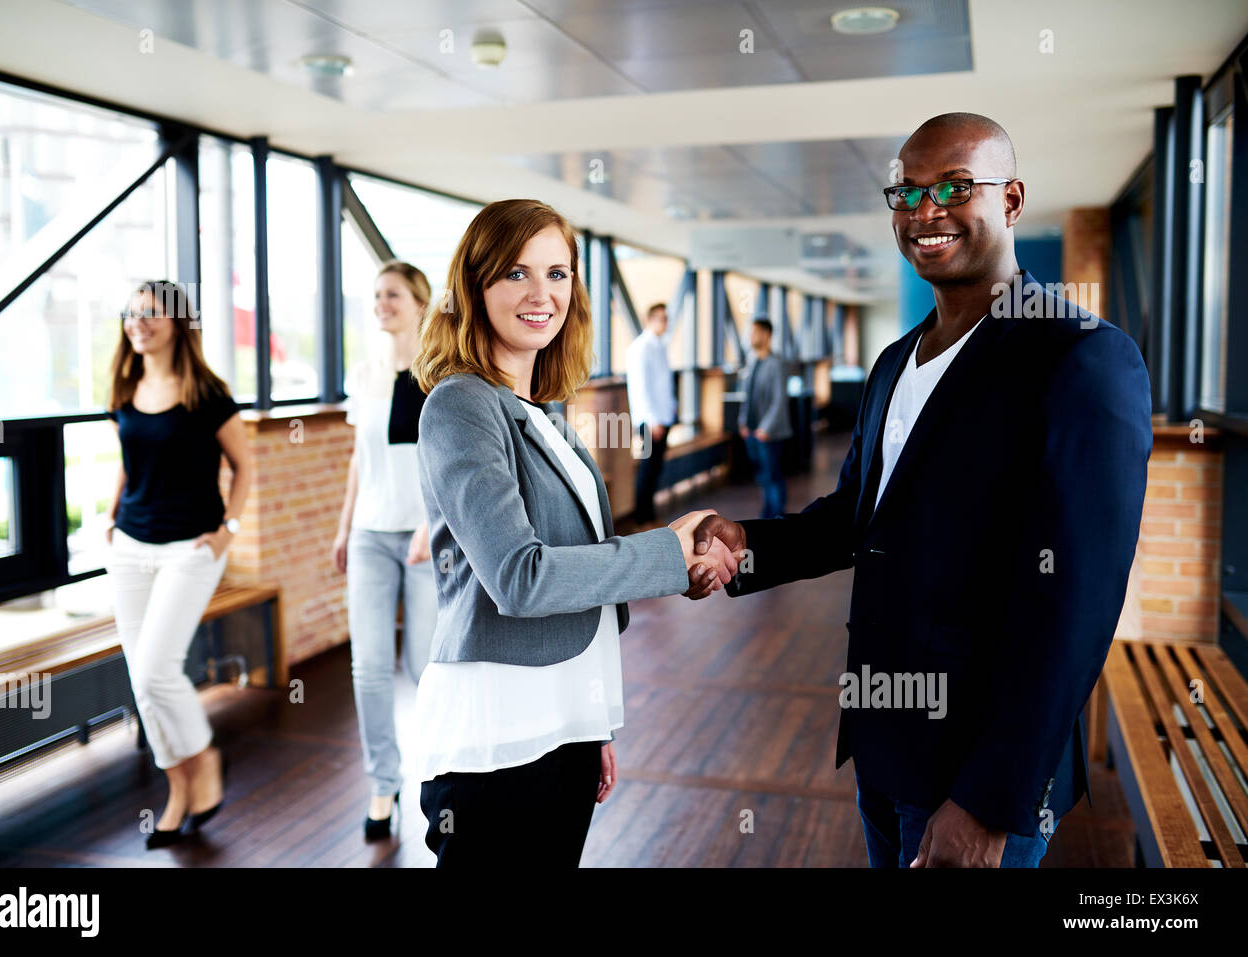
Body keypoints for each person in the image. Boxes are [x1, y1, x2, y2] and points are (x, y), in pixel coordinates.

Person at [688, 113, 1152, 867]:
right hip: (884, 742)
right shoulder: (894, 361)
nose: (925, 210)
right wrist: (747, 548)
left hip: (978, 778)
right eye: (906, 192)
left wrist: (989, 801)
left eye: (955, 187)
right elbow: (855, 517)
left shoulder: (1081, 357)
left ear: (1011, 200)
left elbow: (1077, 603)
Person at [410, 198, 741, 868]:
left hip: (563, 725)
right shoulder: (461, 404)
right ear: (474, 286)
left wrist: (593, 722)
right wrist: (665, 554)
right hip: (499, 742)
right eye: (517, 272)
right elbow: (521, 578)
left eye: (557, 273)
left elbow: (579, 567)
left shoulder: (541, 412)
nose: (542, 294)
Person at [104, 279, 252, 849]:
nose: (138, 322)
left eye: (151, 313)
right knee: (142, 680)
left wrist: (226, 531)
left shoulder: (206, 393)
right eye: (131, 312)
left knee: (154, 671)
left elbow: (244, 466)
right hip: (130, 547)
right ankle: (178, 788)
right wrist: (110, 516)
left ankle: (205, 759)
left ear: (178, 323)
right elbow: (129, 458)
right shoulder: (125, 386)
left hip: (191, 547)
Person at [331, 261, 437, 841]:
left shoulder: (441, 374)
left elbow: (449, 461)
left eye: (392, 294)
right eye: (376, 294)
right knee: (369, 667)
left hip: (426, 540)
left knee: (425, 667)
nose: (381, 303)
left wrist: (432, 524)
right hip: (371, 536)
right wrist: (344, 528)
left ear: (420, 302)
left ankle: (441, 775)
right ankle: (382, 784)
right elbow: (358, 459)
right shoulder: (365, 375)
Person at [625, 302, 676, 526]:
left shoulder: (660, 346)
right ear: (650, 320)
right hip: (649, 421)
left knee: (656, 469)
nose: (666, 323)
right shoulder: (640, 348)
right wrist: (651, 420)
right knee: (647, 469)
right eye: (662, 319)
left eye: (667, 319)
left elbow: (664, 384)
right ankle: (642, 518)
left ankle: (650, 515)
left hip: (663, 417)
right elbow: (640, 388)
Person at [737, 318, 792, 519]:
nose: (750, 337)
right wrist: (743, 422)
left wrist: (765, 429)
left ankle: (776, 517)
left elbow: (779, 399)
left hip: (768, 433)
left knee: (773, 476)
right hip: (751, 431)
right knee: (763, 477)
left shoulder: (777, 364)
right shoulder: (752, 362)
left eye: (754, 333)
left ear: (766, 335)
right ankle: (767, 515)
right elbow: (747, 395)